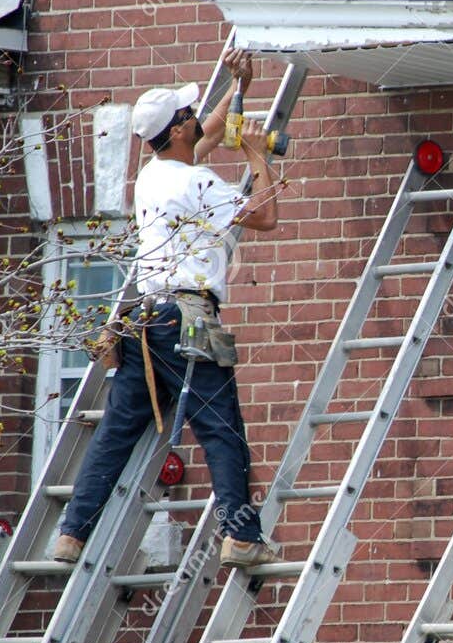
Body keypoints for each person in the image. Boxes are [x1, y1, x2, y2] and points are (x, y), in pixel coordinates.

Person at [48, 51, 280, 568]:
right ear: (177, 131)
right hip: (186, 320)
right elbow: (265, 216)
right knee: (221, 427)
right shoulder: (196, 184)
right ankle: (241, 536)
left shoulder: (154, 174)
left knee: (116, 430)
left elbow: (208, 132)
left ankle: (72, 532)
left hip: (144, 319)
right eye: (188, 116)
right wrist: (258, 155)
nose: (197, 121)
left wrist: (237, 88)